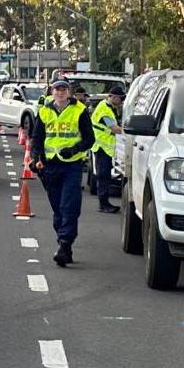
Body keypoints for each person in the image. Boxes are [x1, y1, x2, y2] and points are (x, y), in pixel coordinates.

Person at [30, 79, 94, 267]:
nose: (60, 92)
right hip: (50, 166)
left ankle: (65, 243)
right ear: (52, 91)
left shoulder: (79, 110)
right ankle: (64, 244)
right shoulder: (44, 111)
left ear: (69, 92)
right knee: (58, 208)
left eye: (63, 89)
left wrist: (74, 150)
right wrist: (36, 157)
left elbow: (89, 139)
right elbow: (37, 138)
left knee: (69, 206)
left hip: (71, 165)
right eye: (57, 89)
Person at [91, 86, 125, 213]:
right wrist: (127, 131)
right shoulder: (105, 110)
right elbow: (114, 128)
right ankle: (103, 204)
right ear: (114, 97)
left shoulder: (105, 106)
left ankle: (104, 203)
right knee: (103, 176)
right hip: (102, 147)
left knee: (104, 175)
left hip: (103, 147)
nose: (121, 101)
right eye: (120, 99)